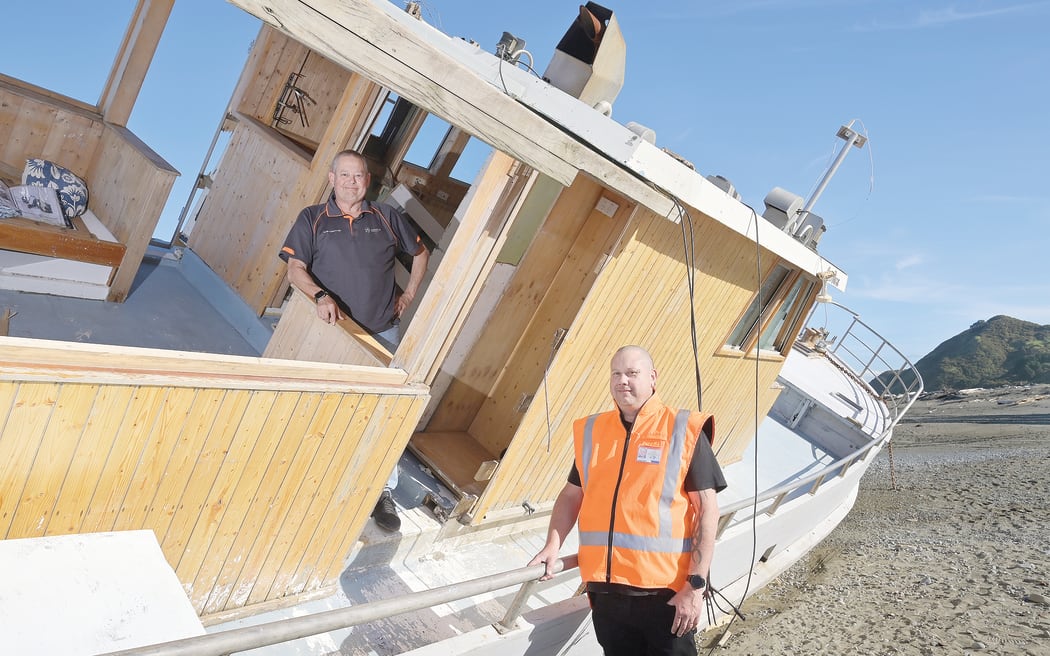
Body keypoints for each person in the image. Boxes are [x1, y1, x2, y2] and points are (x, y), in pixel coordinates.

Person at [529, 345, 726, 656]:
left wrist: (695, 586)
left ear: (652, 378)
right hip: (606, 596)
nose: (623, 381)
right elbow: (571, 495)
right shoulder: (593, 431)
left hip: (665, 597)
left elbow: (707, 510)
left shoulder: (683, 429)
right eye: (616, 374)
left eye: (632, 373)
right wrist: (553, 544)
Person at [279, 149, 429, 532]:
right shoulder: (312, 219)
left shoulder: (386, 216)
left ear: (368, 180)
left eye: (358, 176)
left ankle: (382, 492)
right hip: (333, 332)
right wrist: (319, 296)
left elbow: (420, 251)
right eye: (344, 175)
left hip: (381, 333)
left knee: (382, 414)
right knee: (321, 405)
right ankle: (303, 481)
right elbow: (296, 268)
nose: (351, 182)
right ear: (331, 178)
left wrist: (408, 295)